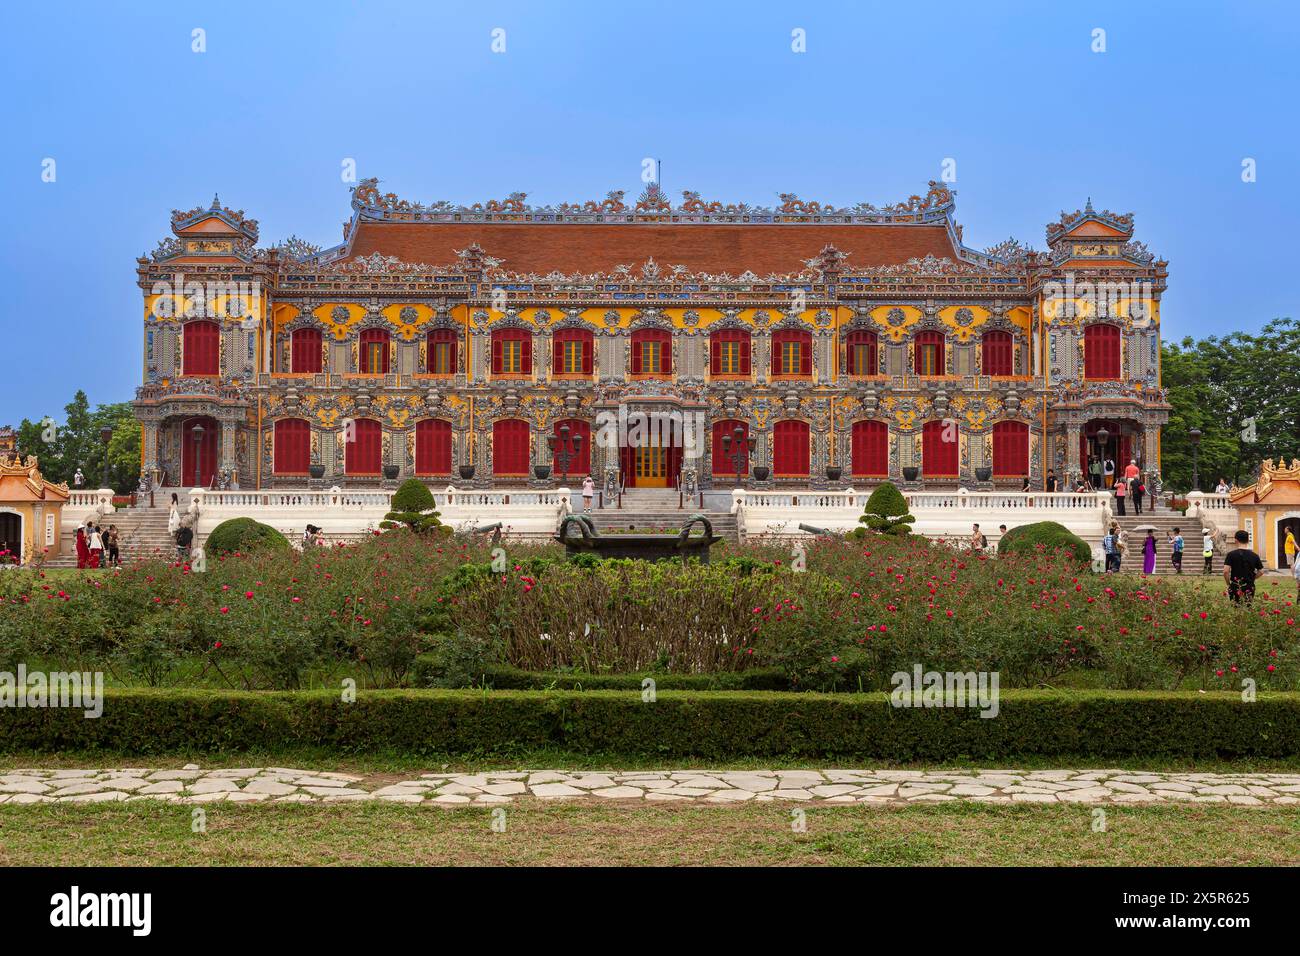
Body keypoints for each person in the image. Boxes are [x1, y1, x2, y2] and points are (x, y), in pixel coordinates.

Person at [1223, 530, 1264, 604]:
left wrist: (1228, 584)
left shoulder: (1231, 554)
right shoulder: (1254, 555)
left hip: (1235, 585)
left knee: (1235, 608)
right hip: (1249, 586)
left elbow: (1226, 571)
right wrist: (1252, 578)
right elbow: (1261, 571)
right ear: (1248, 541)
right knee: (1247, 608)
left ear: (1236, 540)